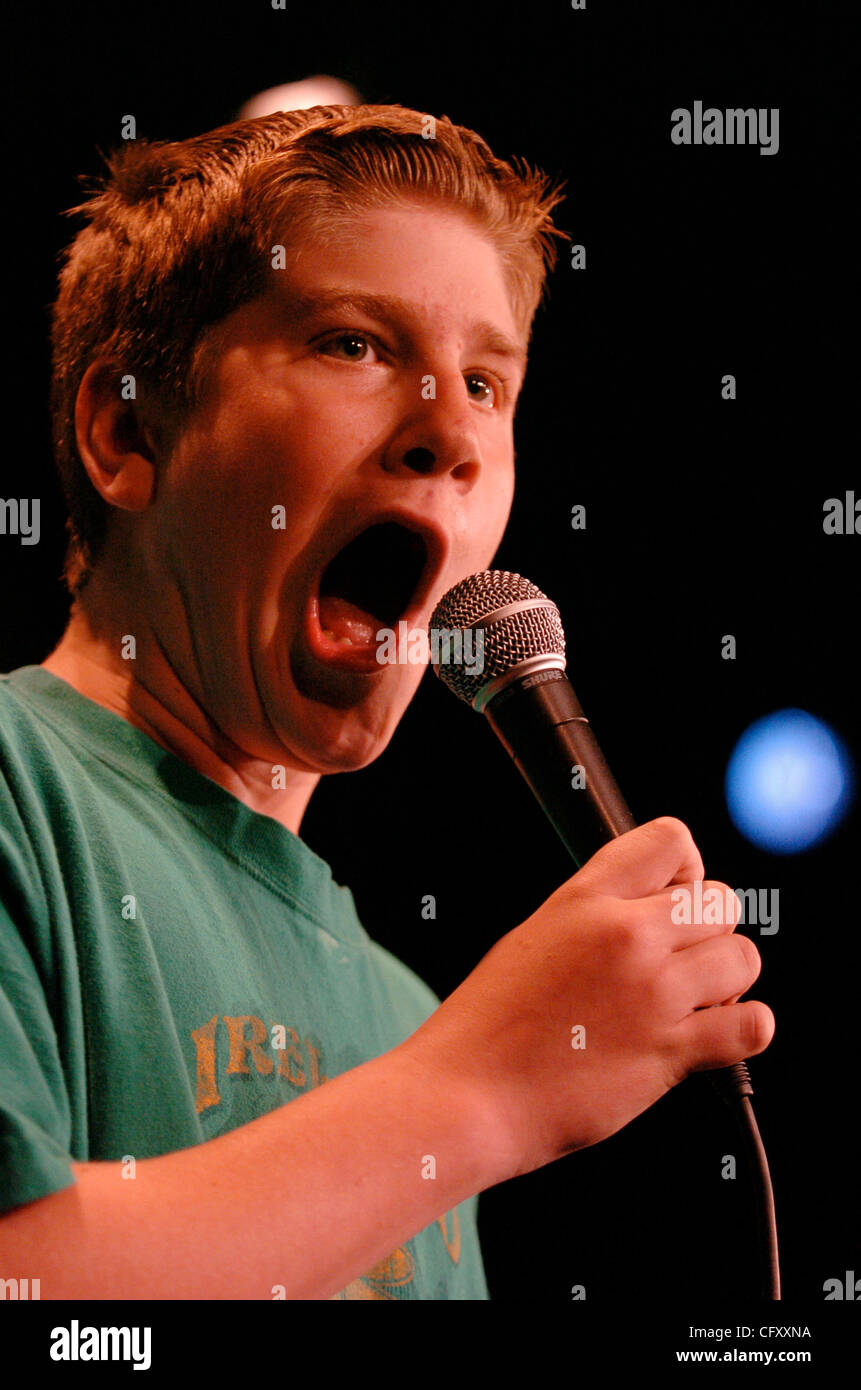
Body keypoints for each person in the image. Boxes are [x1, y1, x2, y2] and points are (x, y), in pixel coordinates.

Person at [0, 104, 774, 1300]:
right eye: (354, 344)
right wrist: (480, 1091)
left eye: (485, 380)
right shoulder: (17, 787)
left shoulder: (407, 1012)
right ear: (125, 427)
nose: (452, 430)